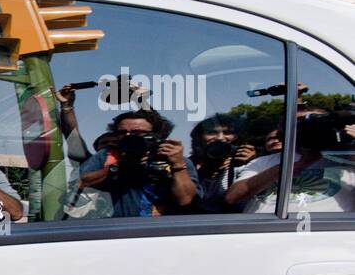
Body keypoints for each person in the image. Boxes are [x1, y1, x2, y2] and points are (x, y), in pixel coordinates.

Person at [226, 89, 355, 213]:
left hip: (327, 232)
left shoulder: (345, 158)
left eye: (317, 123)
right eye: (299, 124)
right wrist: (299, 164)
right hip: (263, 231)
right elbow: (233, 196)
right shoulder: (263, 162)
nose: (309, 130)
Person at [74, 107, 198, 217]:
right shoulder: (107, 155)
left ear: (155, 135)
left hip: (163, 230)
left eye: (137, 133)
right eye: (122, 133)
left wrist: (177, 164)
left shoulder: (170, 156)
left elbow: (185, 199)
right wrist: (120, 166)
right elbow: (82, 183)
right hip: (119, 230)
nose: (129, 136)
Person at [190, 114, 255, 213]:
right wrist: (206, 172)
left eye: (227, 132)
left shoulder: (244, 163)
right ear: (199, 138)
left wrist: (253, 164)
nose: (220, 138)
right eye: (211, 132)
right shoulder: (188, 165)